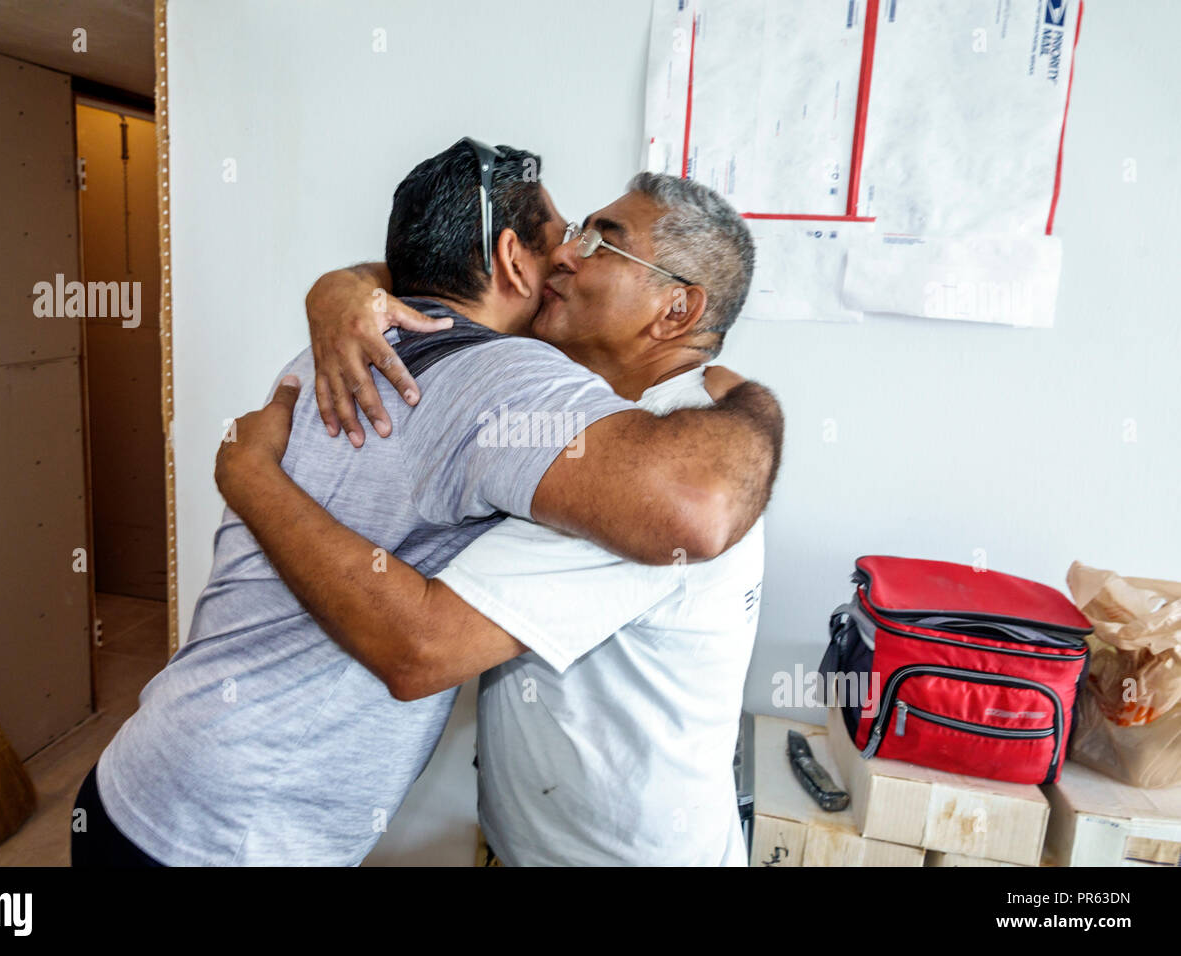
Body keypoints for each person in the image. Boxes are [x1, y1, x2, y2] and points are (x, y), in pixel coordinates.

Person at [72, 138, 778, 866]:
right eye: (569, 236)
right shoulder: (510, 385)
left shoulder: (349, 353)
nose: (569, 256)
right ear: (511, 261)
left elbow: (423, 646)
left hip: (148, 776)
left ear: (677, 307)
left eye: (600, 242)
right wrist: (341, 287)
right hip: (231, 837)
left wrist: (256, 470)